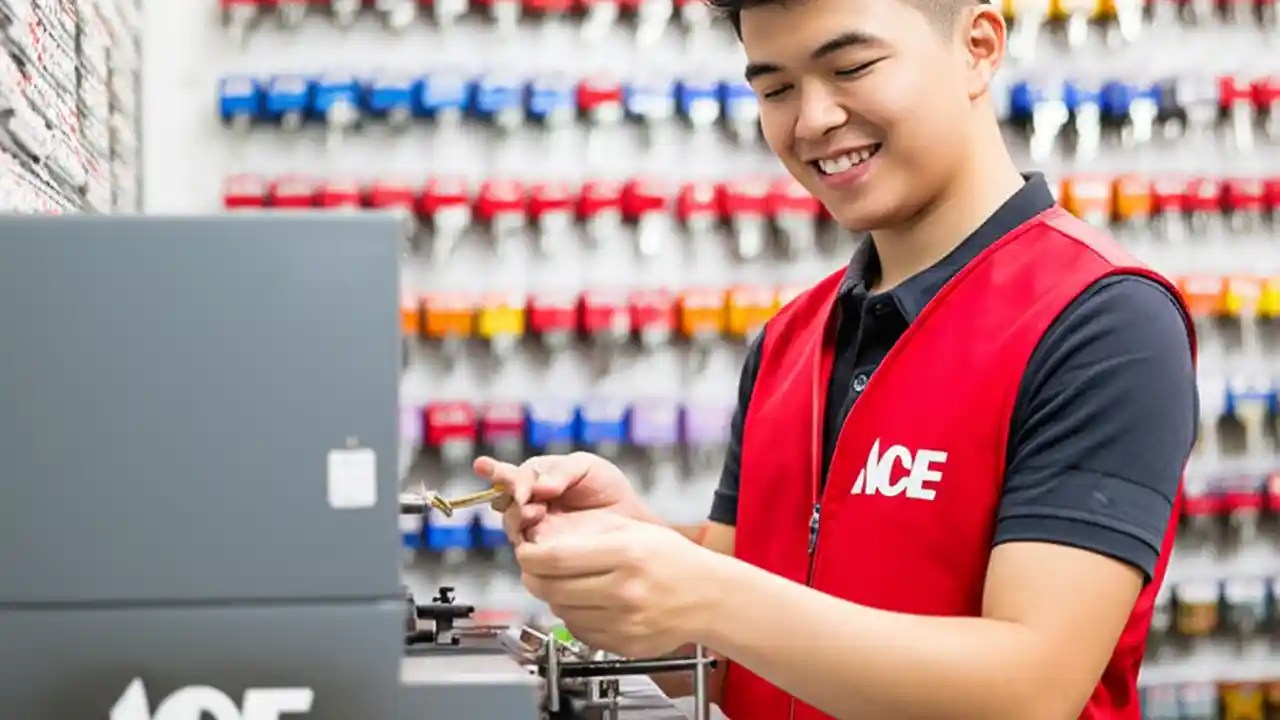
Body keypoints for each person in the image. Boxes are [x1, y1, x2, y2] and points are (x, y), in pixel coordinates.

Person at [474, 0, 1198, 717]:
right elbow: (727, 665)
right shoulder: (791, 340)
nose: (812, 121)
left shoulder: (1103, 321)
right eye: (775, 89)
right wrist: (635, 549)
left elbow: (1029, 690)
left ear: (978, 47)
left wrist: (707, 589)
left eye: (850, 66)